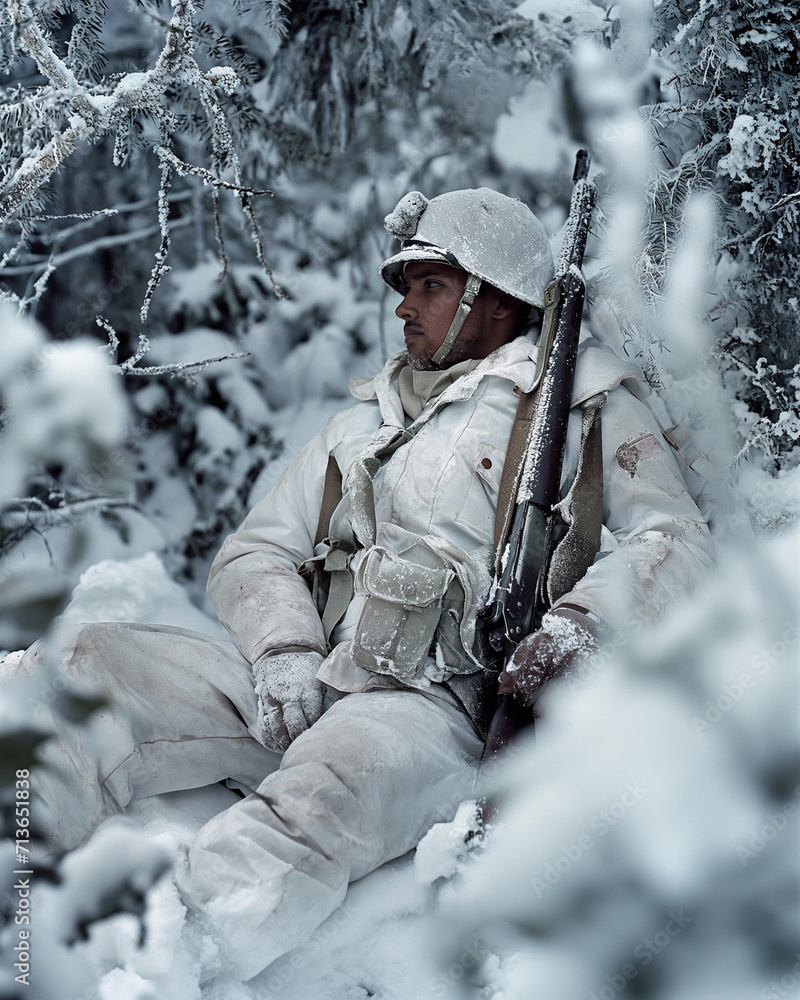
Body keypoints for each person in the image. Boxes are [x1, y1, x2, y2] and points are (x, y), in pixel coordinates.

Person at [8, 186, 714, 981]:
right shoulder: (360, 424)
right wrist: (281, 647)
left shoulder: (581, 409)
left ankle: (152, 967)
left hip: (436, 712)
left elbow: (676, 538)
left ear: (498, 301)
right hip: (315, 675)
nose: (406, 308)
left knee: (321, 793)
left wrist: (579, 627)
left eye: (432, 286)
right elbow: (252, 554)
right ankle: (17, 894)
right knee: (87, 661)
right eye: (405, 288)